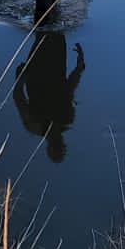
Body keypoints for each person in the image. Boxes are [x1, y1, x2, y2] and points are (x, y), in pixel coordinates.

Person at [12, 32, 85, 163]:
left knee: (43, 32)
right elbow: (69, 89)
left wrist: (20, 79)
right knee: (56, 31)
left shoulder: (34, 125)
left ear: (48, 147)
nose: (58, 144)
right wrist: (79, 68)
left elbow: (19, 98)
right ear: (64, 145)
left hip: (36, 70)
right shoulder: (67, 118)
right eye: (60, 147)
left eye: (55, 147)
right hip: (56, 66)